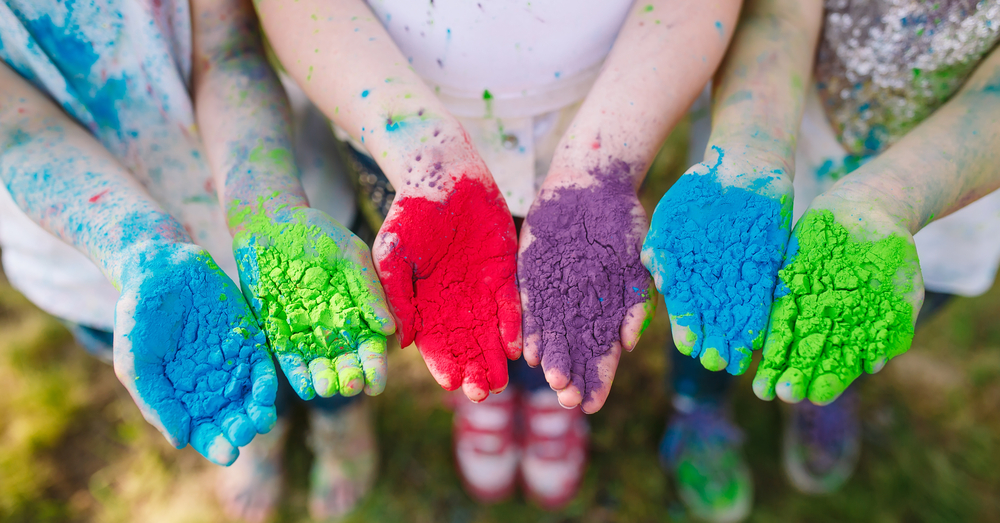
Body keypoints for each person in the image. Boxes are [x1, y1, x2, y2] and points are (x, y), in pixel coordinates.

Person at [256, 0, 742, 508]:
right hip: (390, 109)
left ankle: (548, 388)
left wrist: (611, 155)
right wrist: (416, 143)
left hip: (618, 96)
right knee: (459, 280)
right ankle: (487, 388)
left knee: (568, 288)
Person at [0, 1, 387, 520]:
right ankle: (259, 438)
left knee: (325, 341)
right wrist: (142, 252)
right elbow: (20, 133)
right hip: (95, 254)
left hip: (264, 175)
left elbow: (227, 52)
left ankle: (341, 421)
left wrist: (268, 207)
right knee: (218, 376)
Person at [642, 0, 1000, 520]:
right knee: (715, 315)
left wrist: (889, 200)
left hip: (952, 176)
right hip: (781, 115)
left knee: (853, 319)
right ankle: (698, 405)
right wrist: (749, 153)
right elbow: (781, 14)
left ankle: (821, 389)